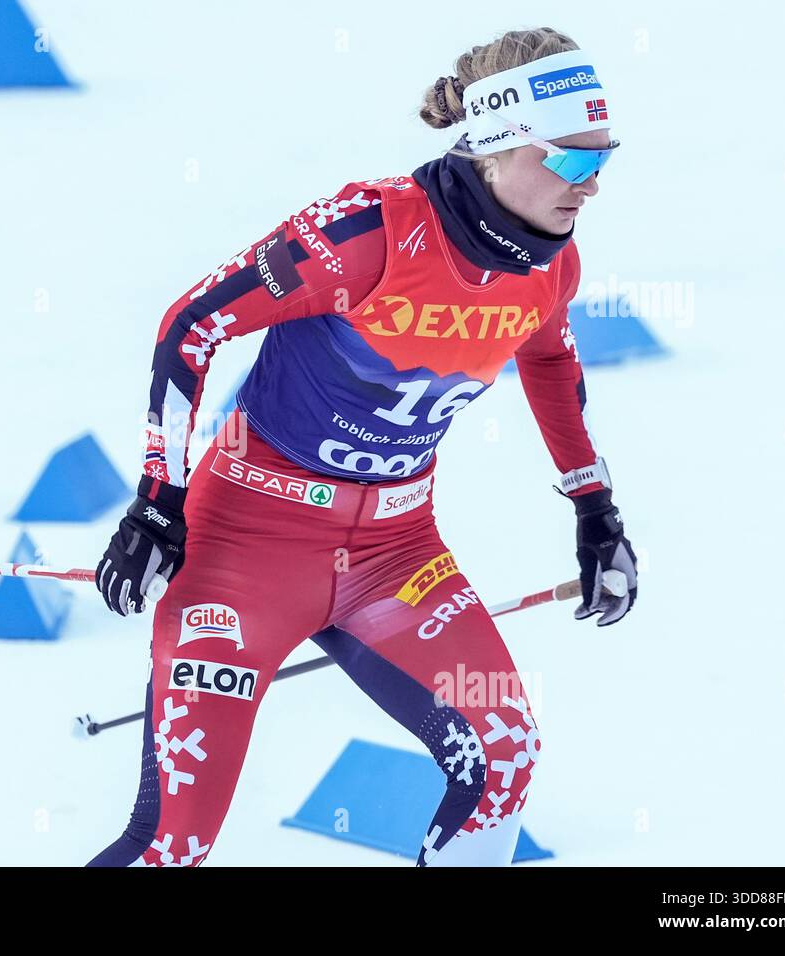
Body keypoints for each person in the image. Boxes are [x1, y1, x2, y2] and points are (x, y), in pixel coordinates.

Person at [89, 27, 638, 868]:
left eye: (604, 158)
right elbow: (191, 325)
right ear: (496, 145)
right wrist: (157, 504)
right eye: (569, 160)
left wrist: (595, 510)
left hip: (396, 554)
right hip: (245, 551)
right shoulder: (365, 231)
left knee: (503, 761)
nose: (592, 185)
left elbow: (552, 363)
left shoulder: (548, 268)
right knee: (173, 841)